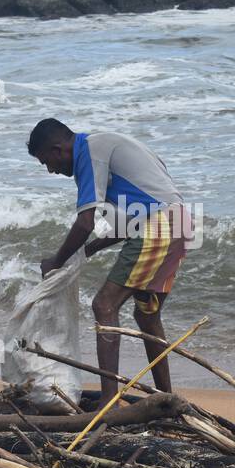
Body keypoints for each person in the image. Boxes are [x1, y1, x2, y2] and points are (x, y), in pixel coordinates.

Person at [28, 118, 192, 407]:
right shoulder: (106, 145)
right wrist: (86, 252)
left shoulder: (88, 151)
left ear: (58, 149)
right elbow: (134, 218)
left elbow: (85, 222)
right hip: (180, 223)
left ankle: (108, 402)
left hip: (160, 226)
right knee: (147, 317)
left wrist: (57, 260)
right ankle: (167, 400)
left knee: (104, 306)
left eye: (47, 162)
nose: (51, 170)